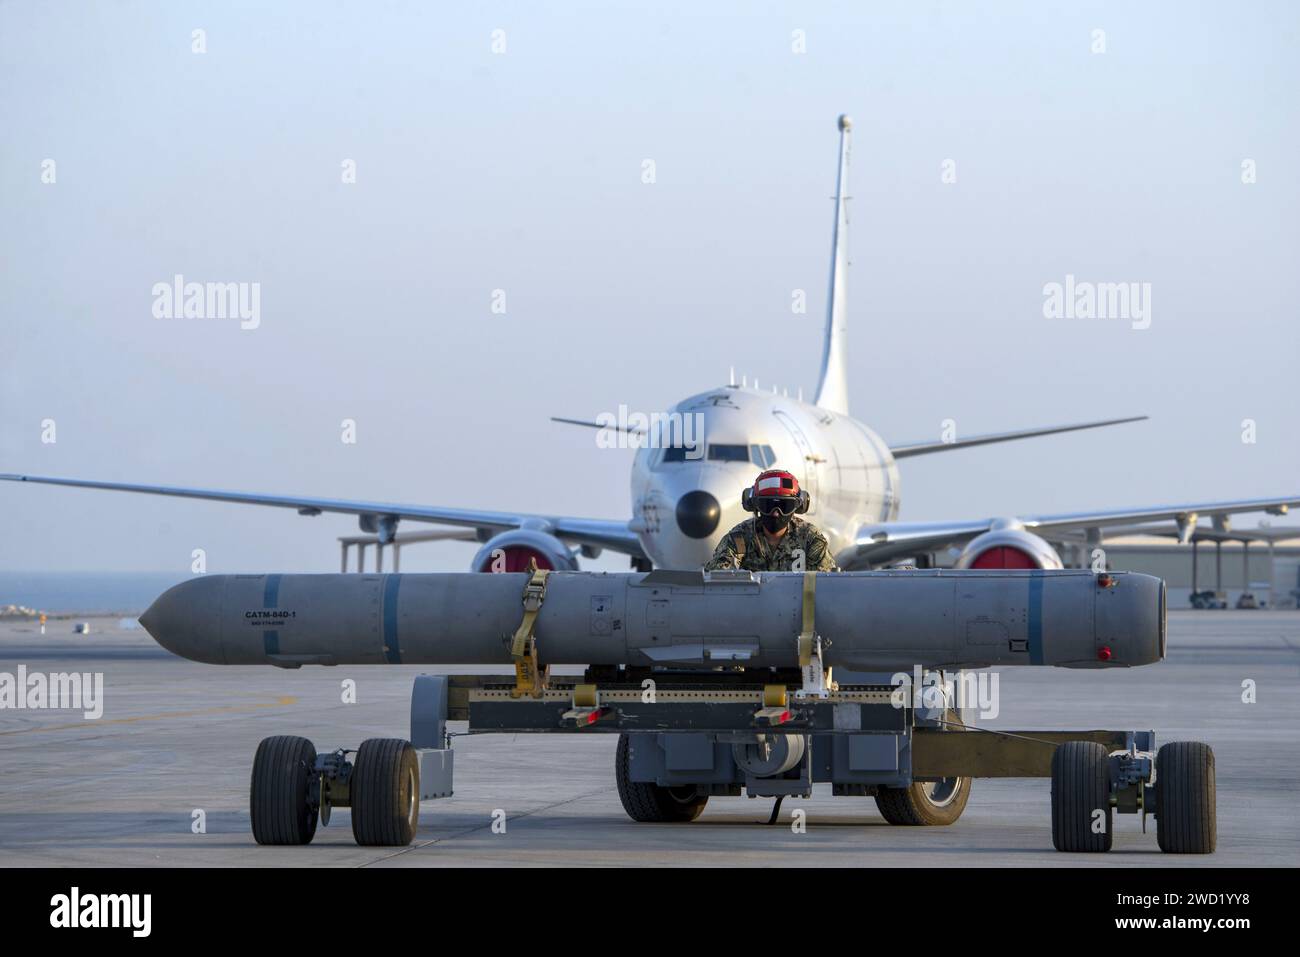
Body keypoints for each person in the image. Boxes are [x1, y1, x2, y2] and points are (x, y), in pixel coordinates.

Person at [705, 469, 838, 572]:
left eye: (784, 506)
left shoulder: (810, 539)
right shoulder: (740, 539)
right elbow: (717, 576)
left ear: (797, 507)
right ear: (755, 506)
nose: (775, 514)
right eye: (767, 505)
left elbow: (828, 583)